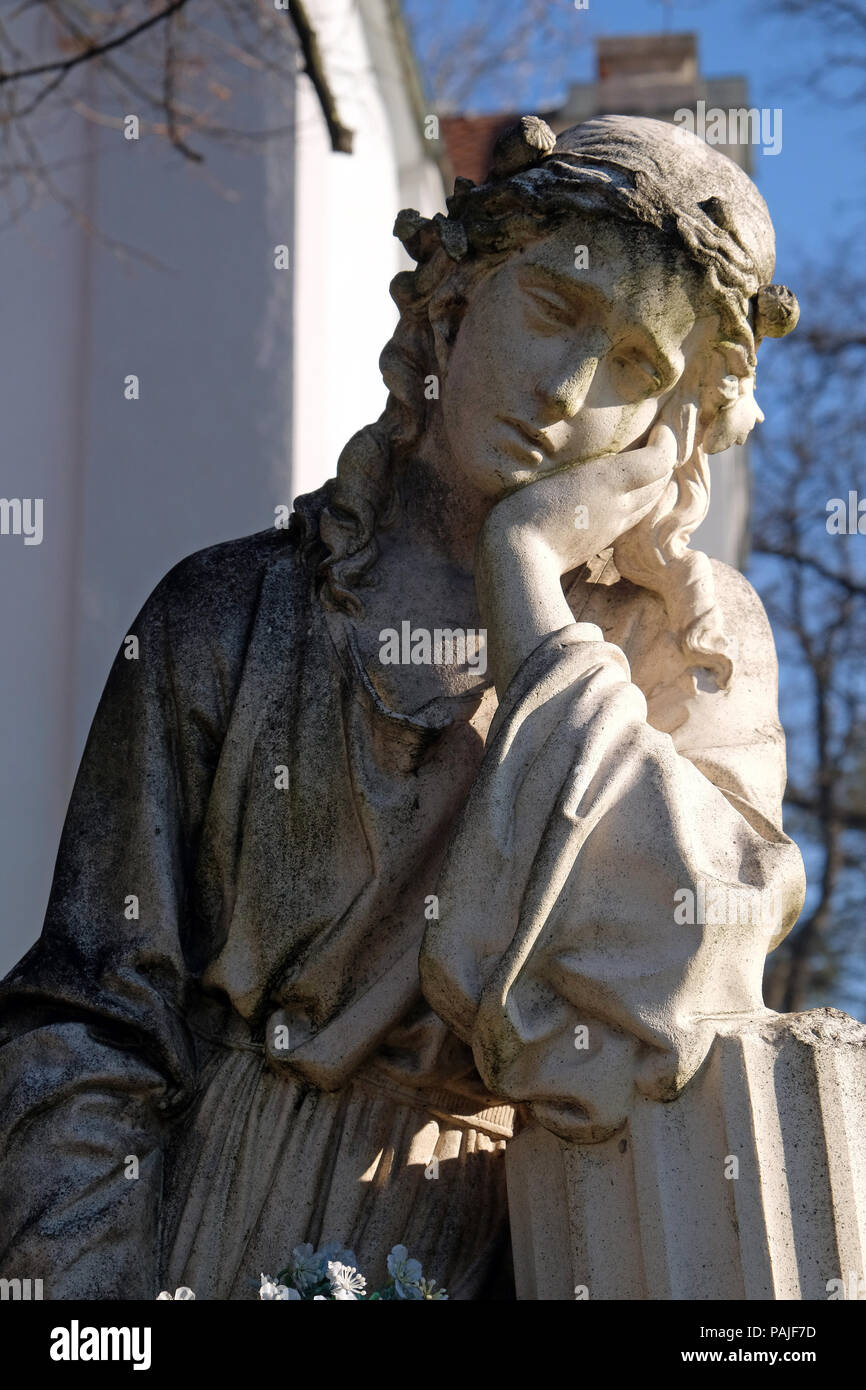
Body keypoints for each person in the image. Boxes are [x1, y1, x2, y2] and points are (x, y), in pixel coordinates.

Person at [0, 115, 805, 1300]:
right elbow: (90, 1021)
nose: (569, 388)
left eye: (636, 364)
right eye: (552, 309)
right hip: (194, 1229)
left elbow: (674, 987)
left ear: (671, 426)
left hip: (509, 1250)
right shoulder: (229, 613)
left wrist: (530, 584)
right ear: (455, 297)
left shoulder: (681, 639)